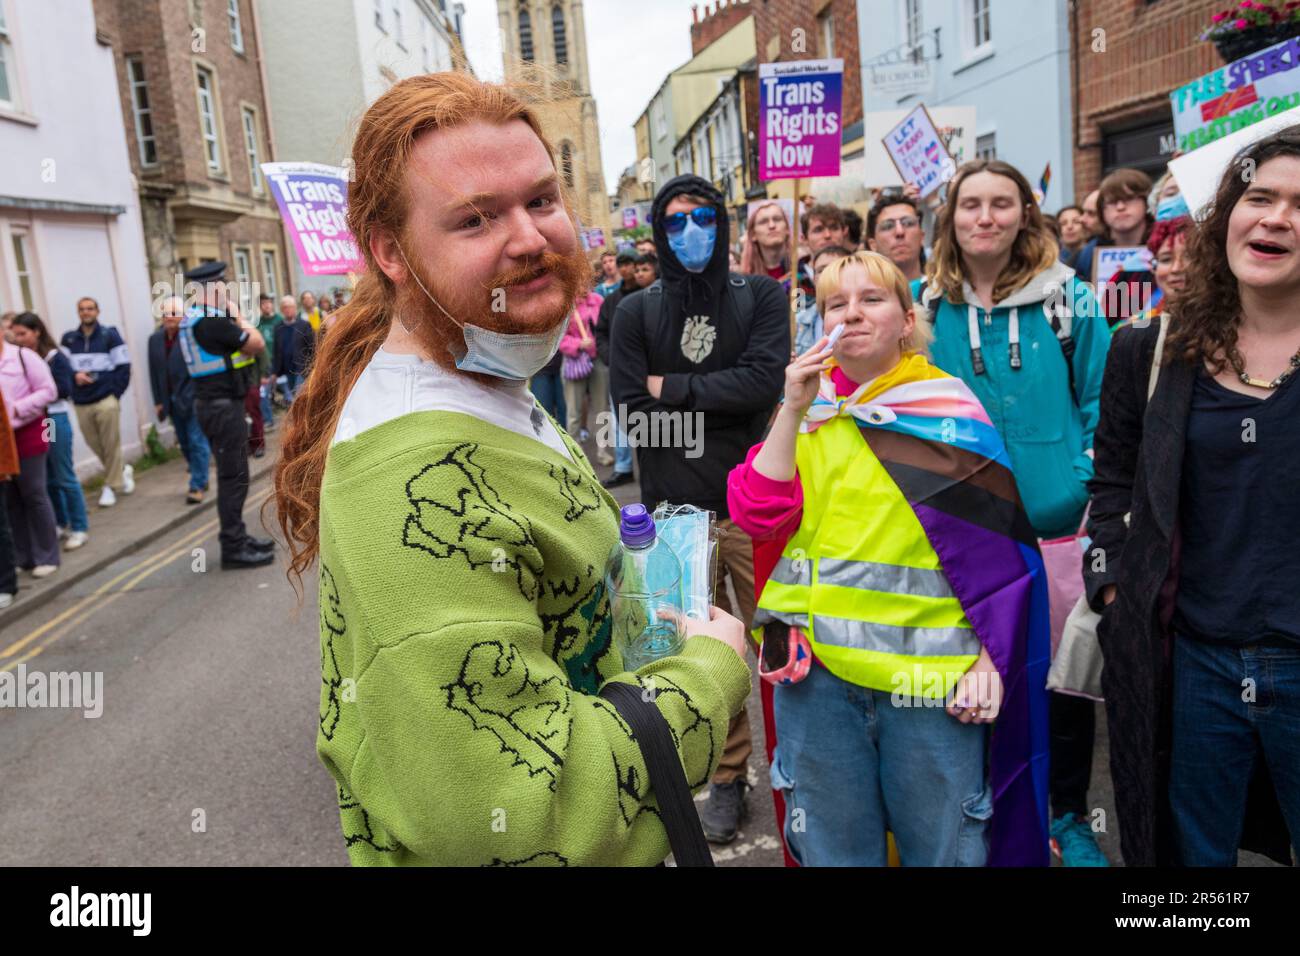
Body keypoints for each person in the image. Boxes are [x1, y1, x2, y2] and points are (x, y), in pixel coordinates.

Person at [272, 72, 751, 866]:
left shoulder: (489, 384)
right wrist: (711, 672)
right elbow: (525, 821)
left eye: (541, 199)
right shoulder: (408, 482)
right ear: (390, 251)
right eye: (475, 218)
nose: (529, 237)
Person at [728, 251, 1051, 866]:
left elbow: (1003, 559)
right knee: (833, 854)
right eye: (834, 303)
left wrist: (991, 658)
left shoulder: (945, 412)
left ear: (907, 319)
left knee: (946, 852)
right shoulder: (811, 411)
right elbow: (756, 512)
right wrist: (792, 407)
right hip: (816, 682)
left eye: (870, 299)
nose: (851, 313)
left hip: (929, 685)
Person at [1087, 126, 1300, 867]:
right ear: (1228, 214)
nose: (1275, 218)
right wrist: (1115, 586)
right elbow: (1112, 478)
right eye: (1260, 196)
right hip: (1194, 668)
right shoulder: (1148, 351)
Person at [916, 159, 1111, 866]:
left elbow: (1105, 404)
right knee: (968, 680)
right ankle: (980, 808)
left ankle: (1067, 815)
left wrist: (1079, 478)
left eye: (1002, 203)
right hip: (959, 537)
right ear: (952, 217)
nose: (986, 217)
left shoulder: (1072, 301)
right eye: (971, 205)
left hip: (1059, 529)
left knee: (1061, 686)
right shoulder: (923, 306)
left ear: (1025, 214)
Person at [610, 173, 789, 844]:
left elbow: (763, 384)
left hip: (753, 508)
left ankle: (801, 762)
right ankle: (726, 776)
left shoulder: (761, 297)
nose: (692, 233)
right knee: (699, 657)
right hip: (675, 518)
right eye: (677, 221)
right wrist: (720, 404)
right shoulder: (636, 312)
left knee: (782, 640)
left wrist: (675, 389)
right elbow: (635, 414)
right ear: (659, 230)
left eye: (705, 219)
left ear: (724, 223)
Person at [179, 261, 274, 569]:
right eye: (223, 286)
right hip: (221, 407)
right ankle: (233, 547)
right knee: (233, 477)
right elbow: (257, 344)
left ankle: (239, 538)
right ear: (213, 288)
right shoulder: (213, 322)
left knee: (235, 475)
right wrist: (238, 316)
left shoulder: (195, 319)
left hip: (216, 405)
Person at [9, 313, 90, 544]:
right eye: (16, 334)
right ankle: (60, 522)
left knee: (63, 473)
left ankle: (79, 526)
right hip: (36, 422)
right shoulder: (20, 358)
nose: (19, 338)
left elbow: (64, 389)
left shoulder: (55, 358)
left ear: (37, 332)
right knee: (49, 476)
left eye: (23, 333)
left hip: (52, 421)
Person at [62, 297, 133, 507]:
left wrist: (115, 394)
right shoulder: (69, 339)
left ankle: (110, 486)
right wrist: (75, 377)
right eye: (82, 309)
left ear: (98, 311)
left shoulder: (109, 335)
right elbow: (63, 368)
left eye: (90, 308)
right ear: (78, 312)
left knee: (111, 443)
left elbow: (124, 367)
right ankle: (121, 472)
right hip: (81, 401)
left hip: (105, 399)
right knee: (94, 442)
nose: (86, 312)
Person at [0, 330, 60, 578]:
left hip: (31, 432)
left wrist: (17, 409)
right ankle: (24, 556)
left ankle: (47, 555)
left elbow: (49, 391)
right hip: (4, 440)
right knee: (11, 499)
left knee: (34, 493)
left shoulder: (23, 356)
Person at [148, 297, 210, 504]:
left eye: (173, 313)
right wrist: (158, 400)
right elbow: (154, 373)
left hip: (193, 397)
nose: (169, 318)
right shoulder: (155, 340)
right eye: (165, 314)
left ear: (183, 316)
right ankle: (201, 474)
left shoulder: (192, 336)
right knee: (183, 443)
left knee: (196, 441)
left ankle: (197, 485)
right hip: (170, 401)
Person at [1076, 169, 1156, 326]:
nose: (1120, 207)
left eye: (1129, 199)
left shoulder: (1163, 249)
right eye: (1112, 202)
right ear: (1102, 210)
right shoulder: (1087, 254)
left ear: (1147, 203)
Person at [593, 252, 639, 488]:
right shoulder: (611, 301)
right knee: (619, 417)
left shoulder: (648, 295)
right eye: (623, 265)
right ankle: (624, 467)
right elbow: (600, 332)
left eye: (632, 265)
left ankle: (652, 464)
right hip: (619, 369)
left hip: (647, 369)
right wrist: (610, 356)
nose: (628, 269)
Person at [1118, 215, 1191, 334]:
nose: (1176, 268)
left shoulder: (1224, 324)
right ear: (1153, 268)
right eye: (1166, 259)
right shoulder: (1134, 329)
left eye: (1189, 257)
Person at [557, 289, 608, 457]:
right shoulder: (564, 304)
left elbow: (606, 328)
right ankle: (575, 455)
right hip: (574, 361)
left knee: (602, 409)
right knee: (574, 411)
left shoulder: (598, 300)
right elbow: (557, 337)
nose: (584, 284)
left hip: (597, 359)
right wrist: (578, 344)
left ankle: (604, 450)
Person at [738, 200, 814, 304]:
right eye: (763, 222)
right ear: (753, 235)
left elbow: (802, 310)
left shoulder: (804, 269)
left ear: (787, 229)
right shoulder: (744, 282)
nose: (772, 225)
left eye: (777, 219)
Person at [793, 244, 854, 356]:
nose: (828, 275)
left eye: (836, 267)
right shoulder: (798, 321)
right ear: (814, 278)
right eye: (821, 270)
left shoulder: (861, 316)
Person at [866, 191, 926, 282]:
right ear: (873, 245)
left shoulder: (945, 292)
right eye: (887, 226)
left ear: (922, 237)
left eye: (908, 223)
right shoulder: (865, 295)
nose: (900, 232)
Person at [273, 294, 315, 402]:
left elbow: (312, 347)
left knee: (298, 398)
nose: (288, 310)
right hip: (285, 370)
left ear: (295, 308)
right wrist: (275, 371)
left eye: (290, 306)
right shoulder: (278, 328)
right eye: (285, 307)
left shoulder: (304, 325)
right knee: (290, 398)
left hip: (301, 369)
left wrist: (312, 366)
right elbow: (276, 351)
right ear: (281, 309)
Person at [0, 387, 18, 608]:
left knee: (53, 481)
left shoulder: (30, 359)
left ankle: (6, 583)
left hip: (46, 426)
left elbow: (54, 393)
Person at [255, 293, 282, 430]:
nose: (266, 306)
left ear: (272, 304)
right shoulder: (258, 324)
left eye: (268, 303)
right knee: (263, 392)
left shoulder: (280, 320)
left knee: (289, 391)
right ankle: (268, 420)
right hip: (266, 364)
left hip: (282, 362)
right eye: (263, 304)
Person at [1057, 204, 1087, 269]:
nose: (1069, 226)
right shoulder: (1054, 260)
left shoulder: (1092, 256)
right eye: (1063, 223)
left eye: (1076, 222)